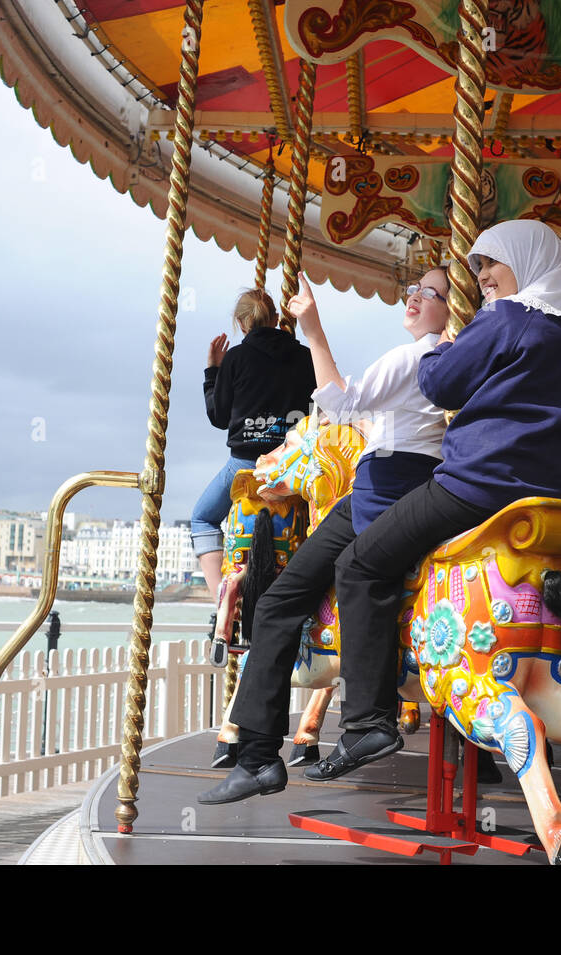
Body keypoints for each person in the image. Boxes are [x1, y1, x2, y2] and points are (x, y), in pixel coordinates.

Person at [302, 219, 561, 782]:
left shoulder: (509, 316)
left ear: (525, 258)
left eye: (491, 263)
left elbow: (440, 385)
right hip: (550, 504)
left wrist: (443, 351)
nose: (484, 276)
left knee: (361, 562)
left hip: (476, 488)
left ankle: (369, 720)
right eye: (477, 267)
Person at [197, 268, 452, 803]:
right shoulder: (434, 362)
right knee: (281, 600)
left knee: (305, 590)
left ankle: (328, 732)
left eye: (431, 294)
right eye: (413, 290)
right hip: (377, 481)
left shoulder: (417, 357)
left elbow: (338, 403)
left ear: (453, 308)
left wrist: (312, 326)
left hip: (385, 486)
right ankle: (267, 752)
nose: (414, 299)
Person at [193, 289, 316, 600]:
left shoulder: (235, 358)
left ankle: (221, 599)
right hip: (291, 465)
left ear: (241, 323)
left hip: (245, 465)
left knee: (203, 518)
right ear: (276, 319)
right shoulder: (305, 357)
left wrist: (212, 372)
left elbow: (219, 417)